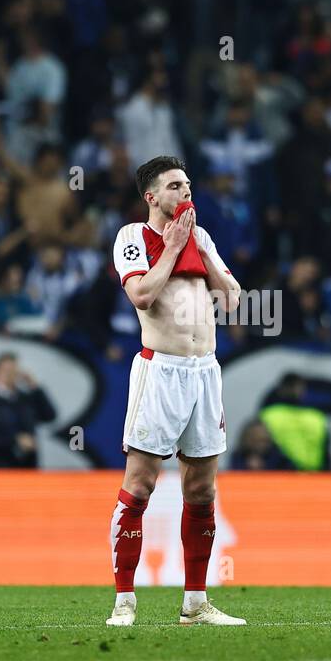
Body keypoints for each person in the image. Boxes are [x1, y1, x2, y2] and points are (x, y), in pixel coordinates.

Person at [107, 155, 244, 626]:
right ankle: (124, 602)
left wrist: (201, 253)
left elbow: (233, 299)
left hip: (204, 372)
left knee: (202, 489)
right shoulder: (132, 238)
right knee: (140, 484)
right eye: (175, 186)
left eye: (188, 185)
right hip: (159, 371)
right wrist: (172, 247)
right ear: (152, 197)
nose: (186, 193)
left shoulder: (200, 238)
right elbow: (142, 295)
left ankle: (195, 603)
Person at [0, 353, 56, 467]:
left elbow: (50, 416)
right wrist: (15, 440)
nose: (11, 374)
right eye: (7, 370)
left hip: (27, 468)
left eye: (14, 370)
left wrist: (35, 387)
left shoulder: (24, 399)